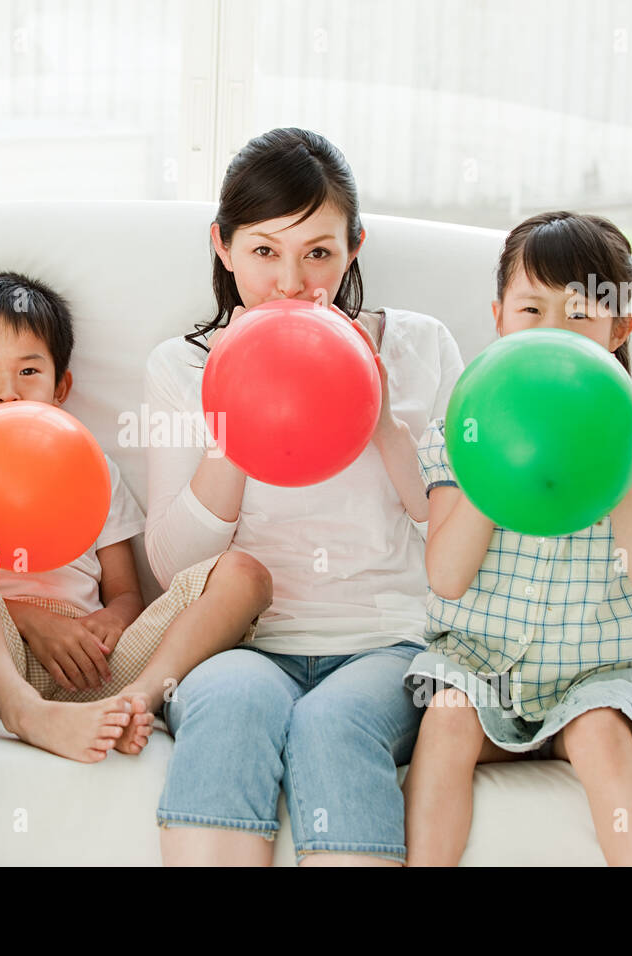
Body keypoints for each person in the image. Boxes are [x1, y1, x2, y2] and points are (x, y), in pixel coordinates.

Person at [146, 127, 465, 865]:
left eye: (318, 253)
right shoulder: (180, 367)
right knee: (229, 706)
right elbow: (173, 569)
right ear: (223, 246)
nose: (291, 283)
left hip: (391, 641)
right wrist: (237, 418)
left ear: (354, 248)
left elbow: (455, 541)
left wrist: (381, 421)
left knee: (333, 724)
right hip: (246, 642)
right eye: (265, 251)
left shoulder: (421, 348)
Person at [402, 210, 632, 867]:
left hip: (596, 680)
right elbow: (446, 578)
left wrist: (611, 464)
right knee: (447, 718)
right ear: (498, 318)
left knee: (601, 737)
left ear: (618, 331)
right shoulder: (462, 437)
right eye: (531, 310)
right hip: (481, 669)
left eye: (578, 314)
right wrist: (491, 469)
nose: (551, 332)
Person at [0, 272, 271, 763]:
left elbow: (125, 592)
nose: (8, 392)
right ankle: (25, 711)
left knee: (245, 574)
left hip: (96, 667)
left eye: (29, 371)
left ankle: (134, 705)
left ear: (60, 386)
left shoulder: (89, 464)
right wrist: (33, 621)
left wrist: (112, 620)